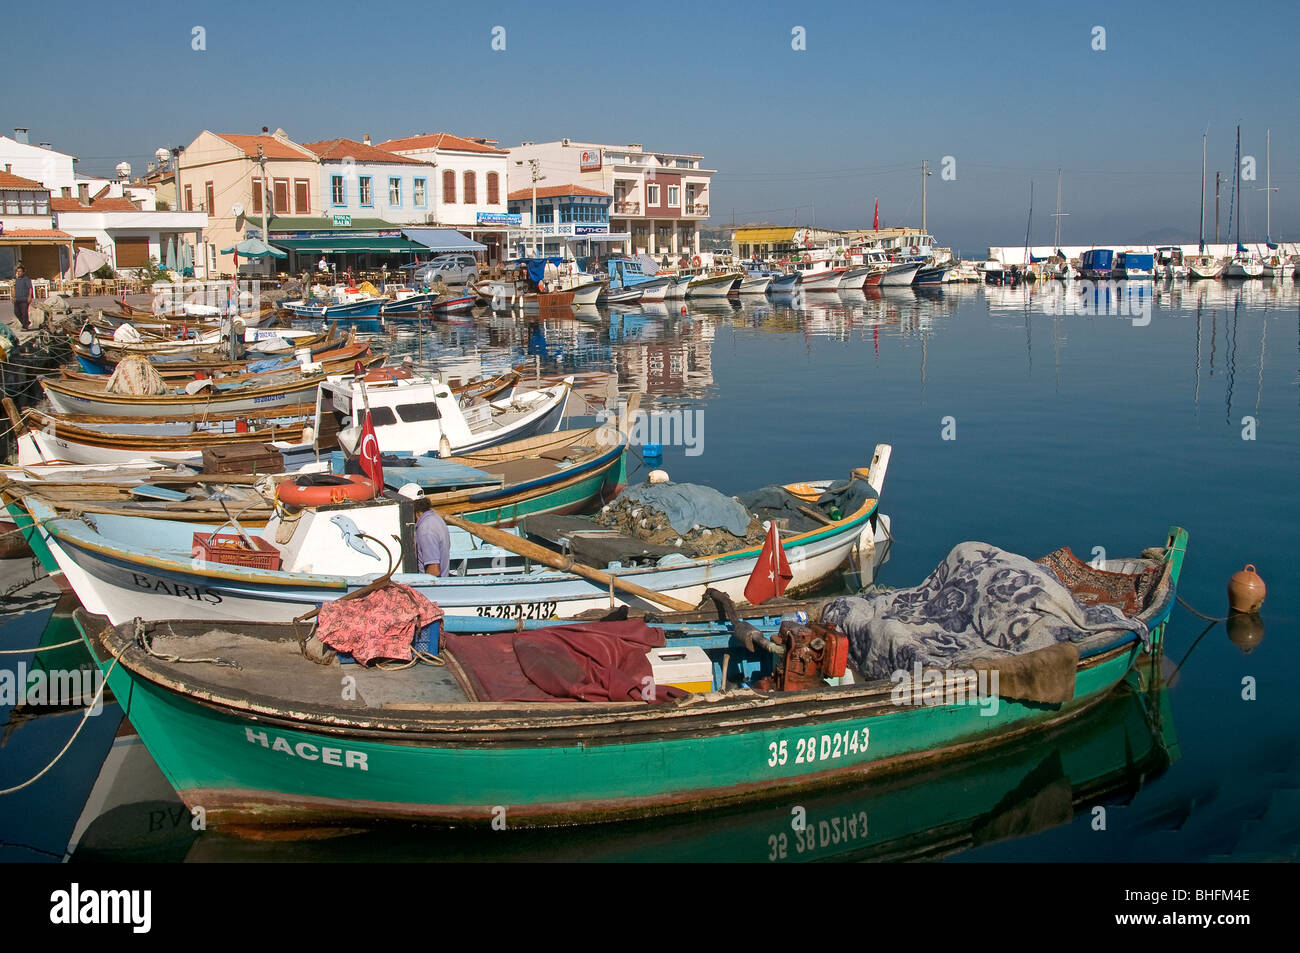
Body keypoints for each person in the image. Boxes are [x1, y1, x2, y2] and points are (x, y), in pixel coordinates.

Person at [415, 508, 451, 577]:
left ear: (417, 514)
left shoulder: (426, 530)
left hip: (434, 585)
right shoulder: (436, 518)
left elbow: (434, 570)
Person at [12, 264, 32, 330]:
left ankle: (25, 326)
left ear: (23, 272)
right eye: (17, 271)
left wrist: (29, 297)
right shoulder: (17, 279)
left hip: (24, 299)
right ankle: (26, 322)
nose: (18, 273)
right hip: (17, 299)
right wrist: (13, 297)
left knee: (24, 313)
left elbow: (30, 288)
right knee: (16, 312)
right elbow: (15, 289)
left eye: (20, 271)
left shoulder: (26, 279)